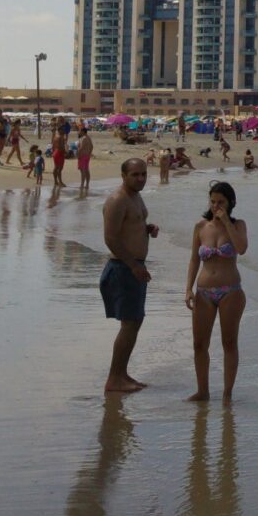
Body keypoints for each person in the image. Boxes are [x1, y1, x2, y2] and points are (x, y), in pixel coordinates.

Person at [184, 180, 249, 402]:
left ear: (231, 203)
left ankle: (227, 393)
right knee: (199, 343)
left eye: (221, 202)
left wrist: (226, 223)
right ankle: (202, 391)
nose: (215, 206)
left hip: (230, 290)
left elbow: (241, 248)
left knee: (229, 342)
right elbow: (194, 259)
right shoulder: (201, 227)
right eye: (212, 201)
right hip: (204, 291)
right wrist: (188, 289)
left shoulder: (238, 225)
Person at [100, 158, 158, 394]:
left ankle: (122, 374)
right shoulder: (117, 200)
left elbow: (130, 227)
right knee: (130, 323)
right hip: (123, 268)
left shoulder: (135, 196)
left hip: (132, 266)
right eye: (135, 175)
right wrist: (133, 266)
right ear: (123, 176)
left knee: (135, 322)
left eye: (143, 174)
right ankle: (114, 379)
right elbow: (111, 238)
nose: (141, 178)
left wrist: (147, 229)